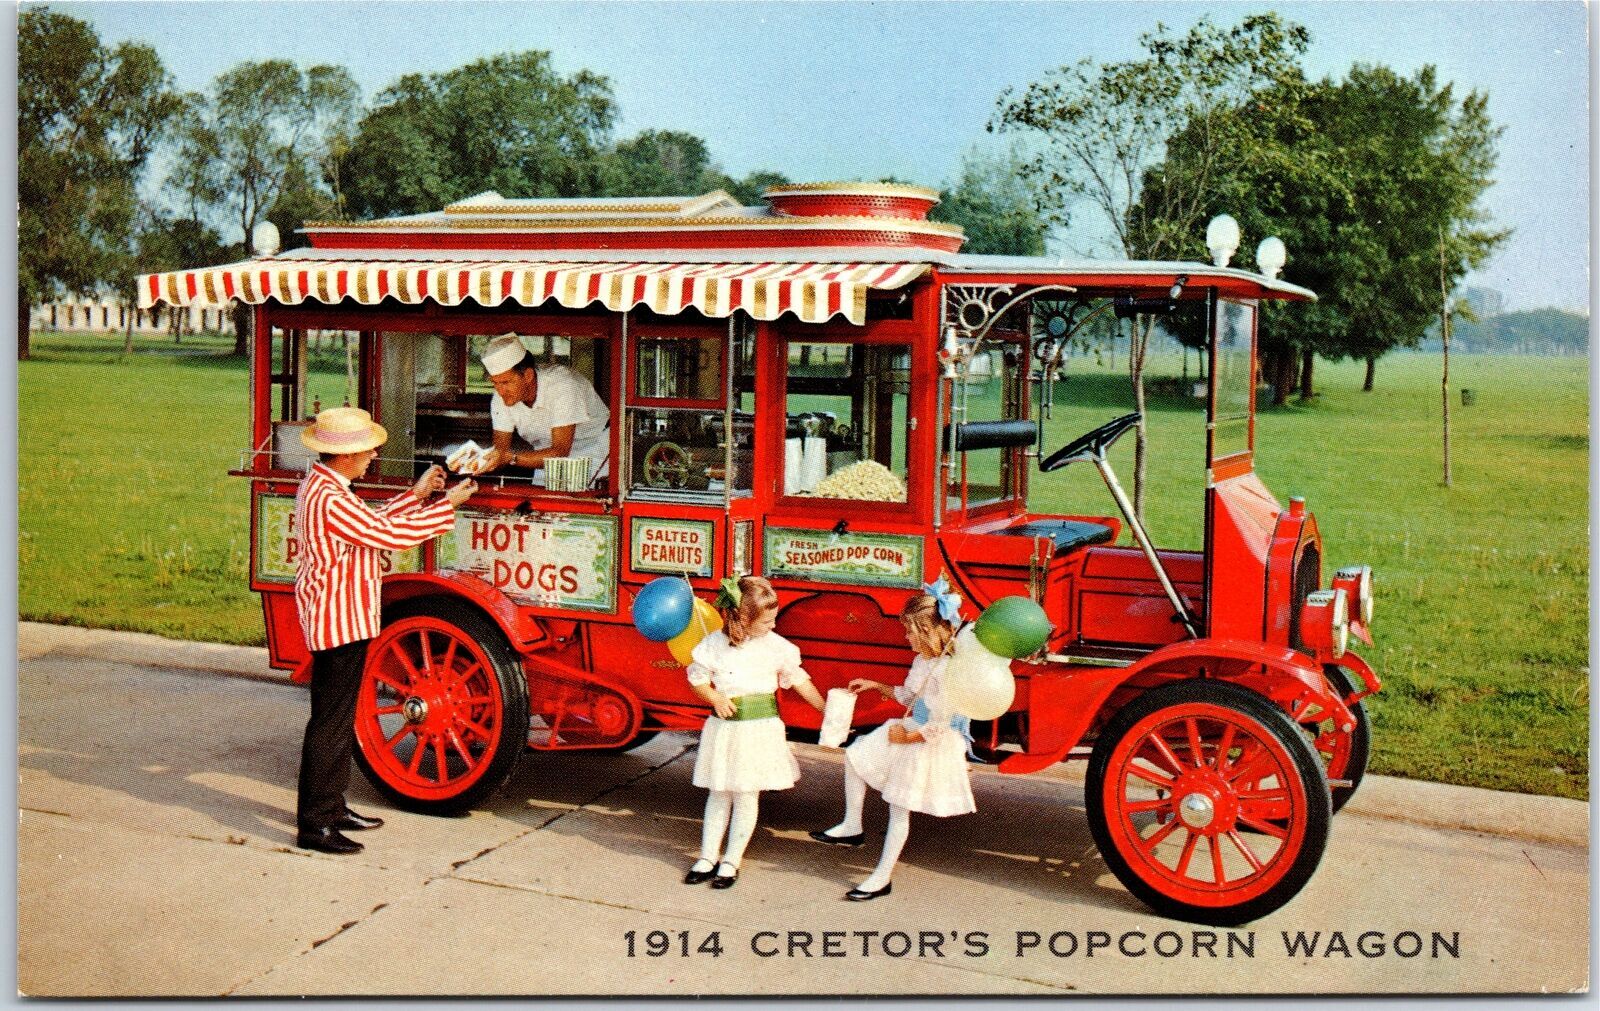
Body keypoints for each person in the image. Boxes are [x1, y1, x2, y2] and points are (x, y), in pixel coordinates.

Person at [293, 407, 477, 855]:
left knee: (337, 718)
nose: (374, 454)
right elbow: (385, 534)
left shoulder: (327, 486)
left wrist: (416, 495)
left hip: (343, 614)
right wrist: (444, 507)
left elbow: (371, 522)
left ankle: (332, 807)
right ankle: (315, 823)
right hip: (337, 618)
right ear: (344, 455)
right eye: (366, 449)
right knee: (330, 724)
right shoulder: (330, 498)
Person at [809, 587, 976, 900]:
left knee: (899, 807)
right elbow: (911, 697)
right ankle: (851, 825)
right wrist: (876, 686)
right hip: (913, 728)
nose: (905, 637)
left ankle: (881, 877)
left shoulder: (947, 670)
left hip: (931, 741)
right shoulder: (924, 661)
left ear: (925, 631)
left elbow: (944, 723)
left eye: (909, 631)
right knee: (856, 755)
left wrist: (909, 737)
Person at [684, 576, 826, 889]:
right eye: (767, 621)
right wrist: (715, 697)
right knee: (719, 791)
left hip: (759, 730)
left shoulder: (777, 647)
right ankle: (708, 856)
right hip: (725, 730)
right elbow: (697, 679)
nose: (772, 626)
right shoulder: (714, 644)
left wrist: (824, 709)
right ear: (743, 618)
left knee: (746, 794)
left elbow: (800, 680)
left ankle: (731, 860)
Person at [461, 333, 611, 480]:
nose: (500, 391)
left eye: (506, 383)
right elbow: (501, 451)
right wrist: (479, 461)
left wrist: (510, 458)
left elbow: (560, 451)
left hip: (593, 447)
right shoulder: (501, 396)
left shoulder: (563, 385)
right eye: (495, 383)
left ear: (528, 375)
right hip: (544, 454)